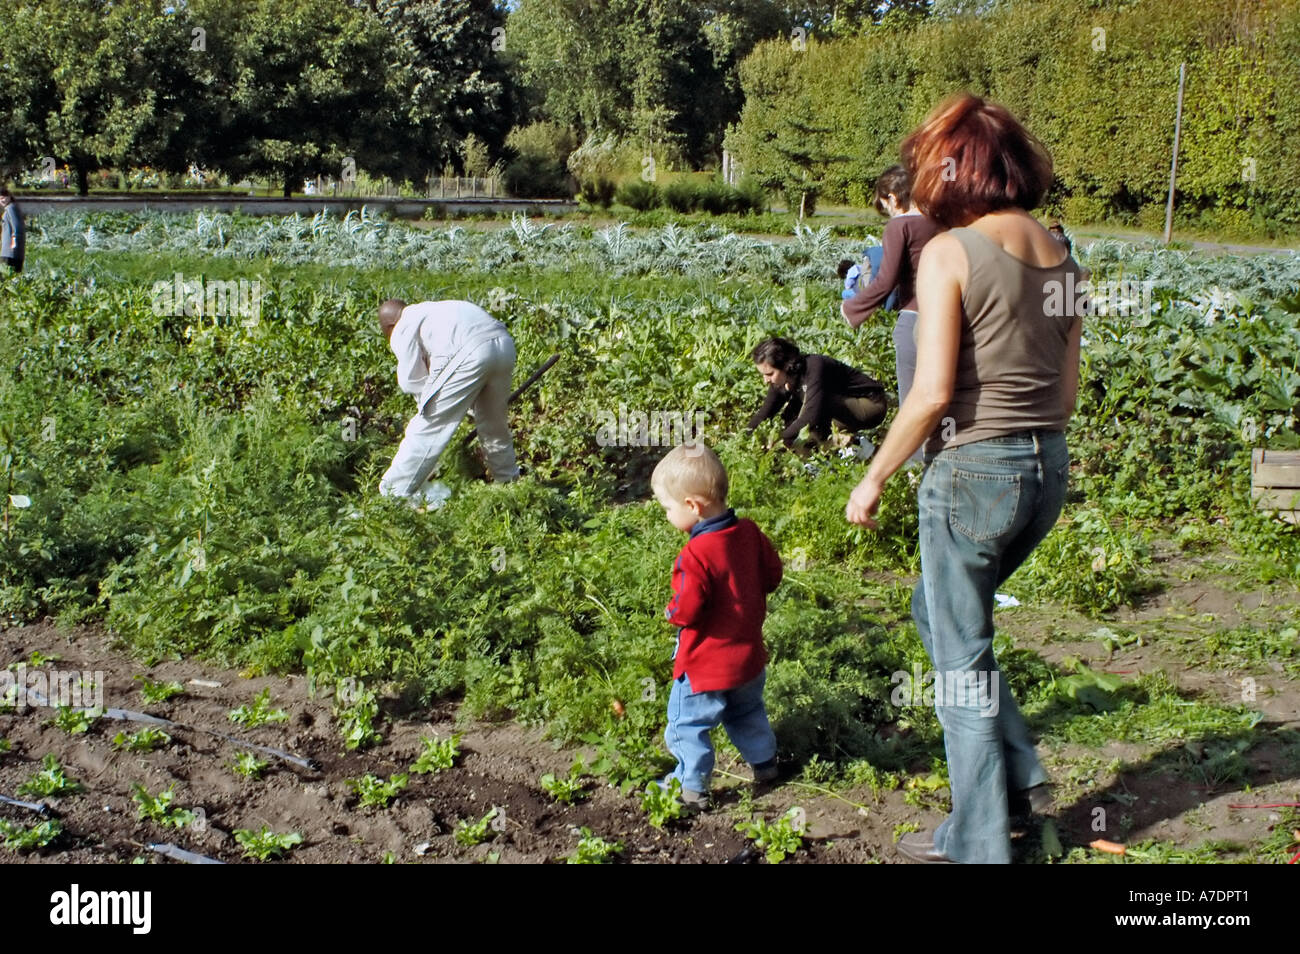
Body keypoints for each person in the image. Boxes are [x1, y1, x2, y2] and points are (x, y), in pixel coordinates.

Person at [844, 93, 1086, 864]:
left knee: (958, 666)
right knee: (942, 616)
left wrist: (873, 476)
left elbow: (933, 393)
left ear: (953, 172)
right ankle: (1021, 773)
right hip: (1045, 468)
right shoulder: (1063, 258)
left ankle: (980, 846)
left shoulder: (953, 253)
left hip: (974, 474)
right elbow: (1068, 393)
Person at [653, 442, 784, 809]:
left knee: (688, 725)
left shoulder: (694, 554)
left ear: (693, 506)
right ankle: (765, 764)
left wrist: (672, 612)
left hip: (704, 666)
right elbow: (773, 574)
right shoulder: (749, 533)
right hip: (748, 658)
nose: (666, 515)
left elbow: (688, 608)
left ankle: (690, 787)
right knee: (747, 711)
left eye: (667, 508)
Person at [377, 299, 519, 498]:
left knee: (429, 424)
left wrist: (433, 409)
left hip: (470, 349)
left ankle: (393, 493)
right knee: (494, 424)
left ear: (390, 325)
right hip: (503, 344)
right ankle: (509, 484)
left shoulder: (403, 324)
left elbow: (411, 381)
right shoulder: (432, 311)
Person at [842, 166, 945, 409]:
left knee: (913, 403)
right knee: (942, 400)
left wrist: (852, 308)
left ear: (893, 198)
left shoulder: (899, 226)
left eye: (885, 205)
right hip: (946, 316)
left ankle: (915, 449)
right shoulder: (940, 222)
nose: (887, 211)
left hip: (913, 318)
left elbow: (886, 279)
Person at [747, 337, 888, 450]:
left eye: (770, 374)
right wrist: (744, 437)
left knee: (813, 411)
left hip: (870, 405)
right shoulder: (782, 378)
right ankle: (843, 445)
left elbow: (811, 416)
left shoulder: (814, 366)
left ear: (786, 365)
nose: (766, 380)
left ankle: (840, 444)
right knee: (790, 416)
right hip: (840, 408)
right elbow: (765, 413)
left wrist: (779, 440)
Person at [1, 189, 26, 275]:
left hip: (10, 253)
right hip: (10, 251)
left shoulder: (10, 208)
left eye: (3, 198)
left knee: (8, 278)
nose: (2, 201)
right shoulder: (12, 208)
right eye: (0, 199)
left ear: (9, 197)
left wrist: (13, 246)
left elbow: (17, 228)